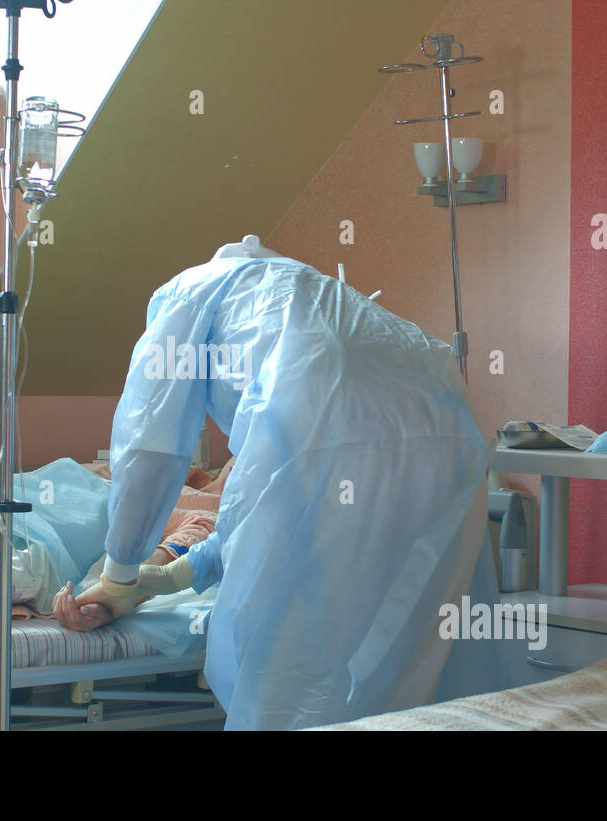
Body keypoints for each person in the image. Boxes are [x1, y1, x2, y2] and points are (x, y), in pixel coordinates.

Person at [53, 235, 487, 730]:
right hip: (453, 431)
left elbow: (150, 441)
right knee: (406, 652)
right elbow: (264, 515)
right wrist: (170, 576)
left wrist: (120, 572)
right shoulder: (316, 298)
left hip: (331, 426)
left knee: (291, 671)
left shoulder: (189, 292)